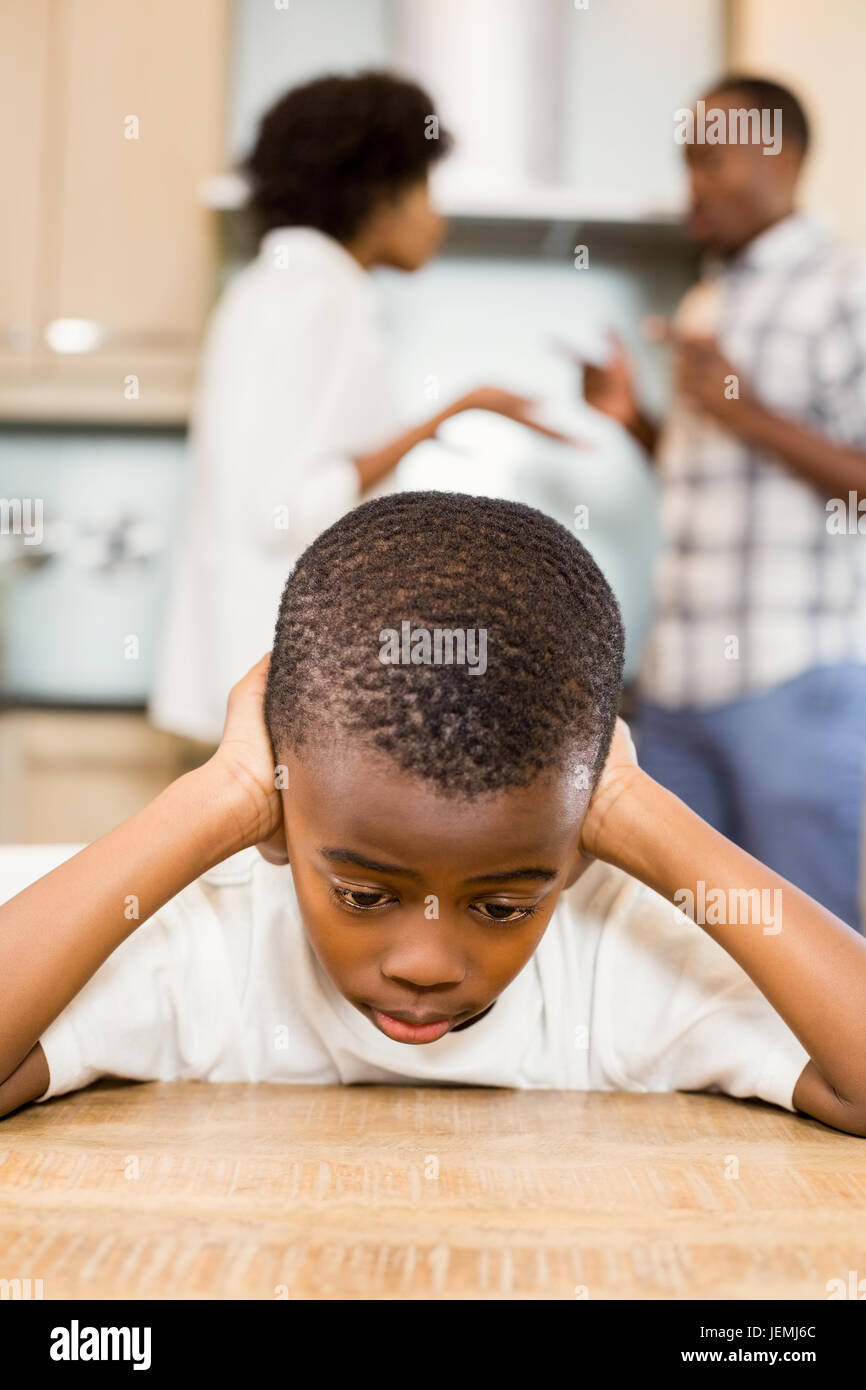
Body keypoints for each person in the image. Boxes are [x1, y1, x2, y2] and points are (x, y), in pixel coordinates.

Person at [2, 492, 865, 1137]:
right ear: (275, 818)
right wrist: (217, 796)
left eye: (501, 905)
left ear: (580, 853)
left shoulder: (620, 963)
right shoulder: (202, 946)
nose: (425, 963)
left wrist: (633, 808)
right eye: (365, 895)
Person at [150, 71, 563, 744]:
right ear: (378, 192)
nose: (440, 217)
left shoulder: (267, 288)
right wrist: (448, 415)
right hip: (288, 686)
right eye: (426, 189)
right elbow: (292, 506)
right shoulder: (325, 301)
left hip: (248, 669)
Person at [581, 75, 866, 931]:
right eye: (686, 163)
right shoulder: (710, 297)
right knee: (680, 944)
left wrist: (744, 409)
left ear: (780, 154)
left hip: (793, 677)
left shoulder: (844, 286)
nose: (693, 184)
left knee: (809, 948)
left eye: (710, 160)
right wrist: (636, 421)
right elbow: (715, 480)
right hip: (678, 685)